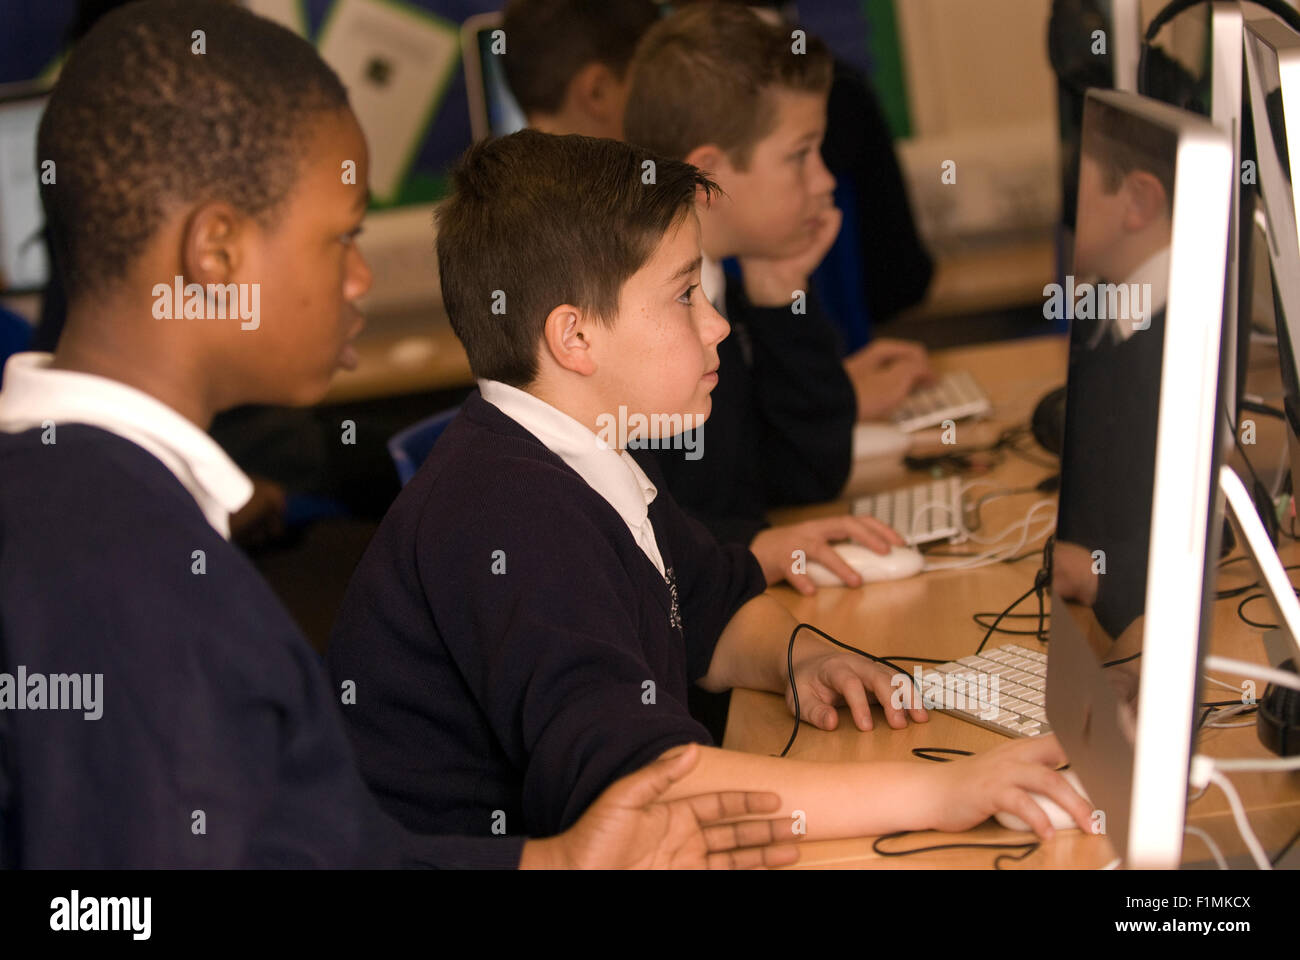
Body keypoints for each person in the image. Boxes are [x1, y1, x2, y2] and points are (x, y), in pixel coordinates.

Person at [0, 0, 796, 870]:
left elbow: (324, 848)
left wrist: (550, 865)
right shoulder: (103, 554)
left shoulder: (97, 498)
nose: (360, 277)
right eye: (342, 235)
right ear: (216, 254)